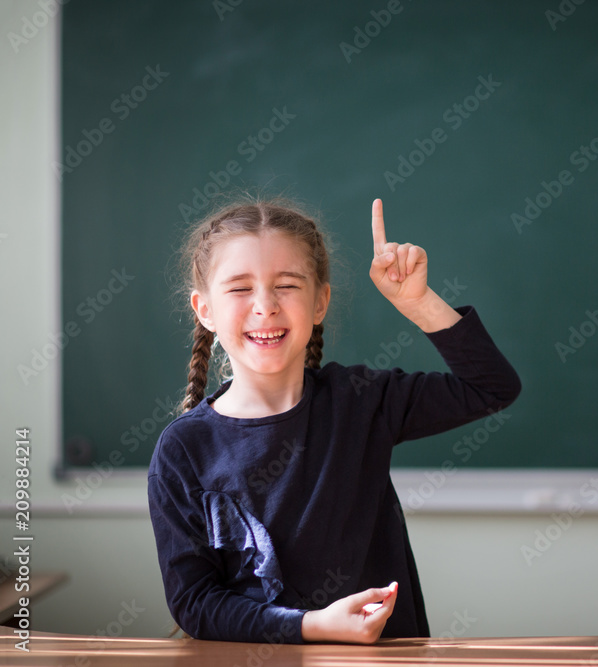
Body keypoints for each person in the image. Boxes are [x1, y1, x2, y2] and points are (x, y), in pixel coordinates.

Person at [147, 197, 520, 644]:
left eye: (287, 284)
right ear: (204, 309)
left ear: (320, 301)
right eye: (240, 288)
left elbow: (492, 388)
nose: (265, 306)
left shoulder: (361, 401)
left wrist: (417, 301)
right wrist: (313, 626)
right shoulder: (184, 449)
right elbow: (196, 603)